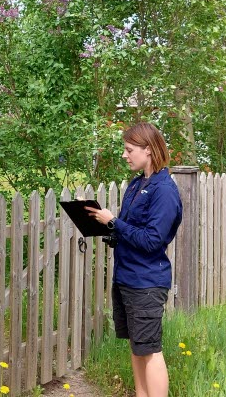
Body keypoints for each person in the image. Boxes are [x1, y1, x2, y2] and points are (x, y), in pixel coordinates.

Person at [85, 122, 182, 397]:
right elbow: (127, 231)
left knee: (150, 349)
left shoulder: (164, 191)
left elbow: (152, 240)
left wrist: (113, 221)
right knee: (137, 346)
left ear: (148, 150)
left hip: (147, 282)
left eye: (129, 150)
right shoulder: (137, 183)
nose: (125, 155)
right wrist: (96, 219)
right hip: (126, 277)